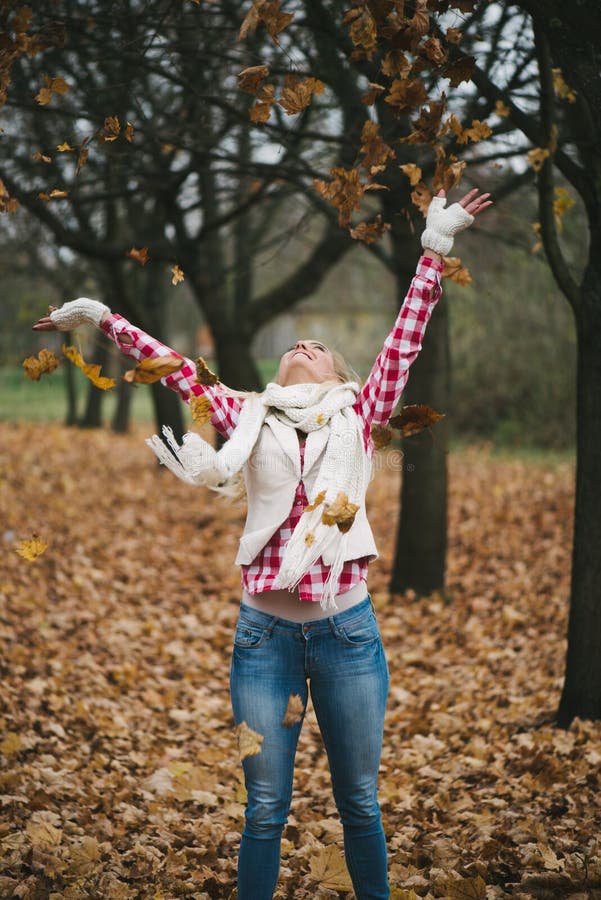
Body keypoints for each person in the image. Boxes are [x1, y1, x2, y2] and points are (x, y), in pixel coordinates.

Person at [33, 188, 492, 899]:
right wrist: (103, 318)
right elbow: (178, 366)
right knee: (264, 811)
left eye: (315, 347)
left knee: (360, 805)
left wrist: (433, 250)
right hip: (263, 639)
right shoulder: (246, 417)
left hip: (347, 635)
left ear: (339, 377)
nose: (300, 346)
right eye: (292, 345)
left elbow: (405, 339)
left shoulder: (359, 417)